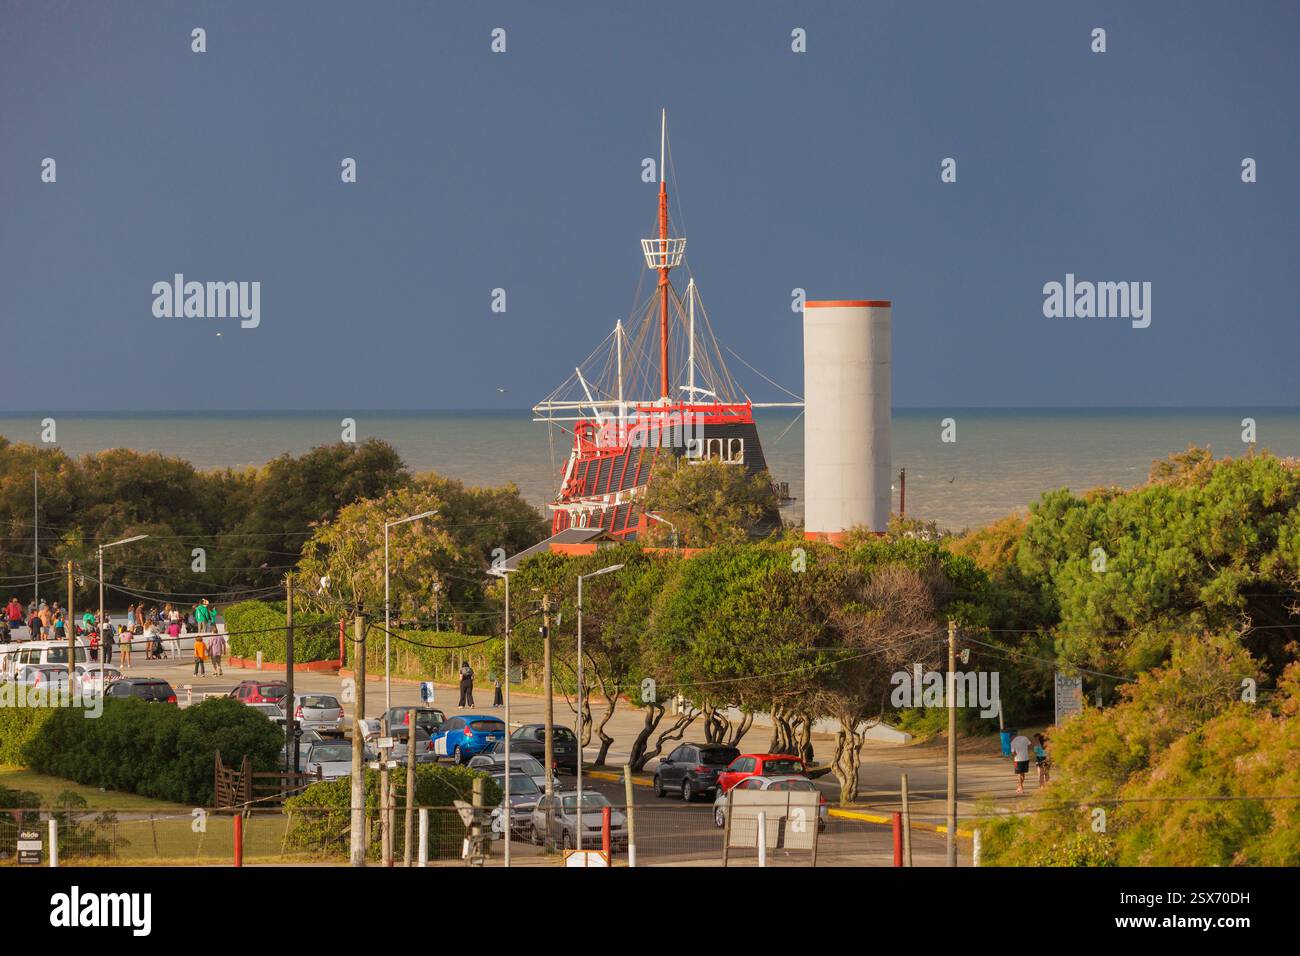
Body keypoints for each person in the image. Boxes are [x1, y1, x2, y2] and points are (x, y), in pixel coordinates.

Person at [1009, 731, 1032, 795]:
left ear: (1012, 736)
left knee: (1019, 774)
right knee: (1023, 773)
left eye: (1010, 738)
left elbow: (1013, 753)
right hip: (1026, 758)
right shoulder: (1024, 737)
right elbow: (1030, 745)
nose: (1010, 739)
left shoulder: (1012, 742)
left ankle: (1021, 788)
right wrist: (1024, 749)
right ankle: (1019, 787)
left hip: (1018, 760)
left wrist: (1012, 756)